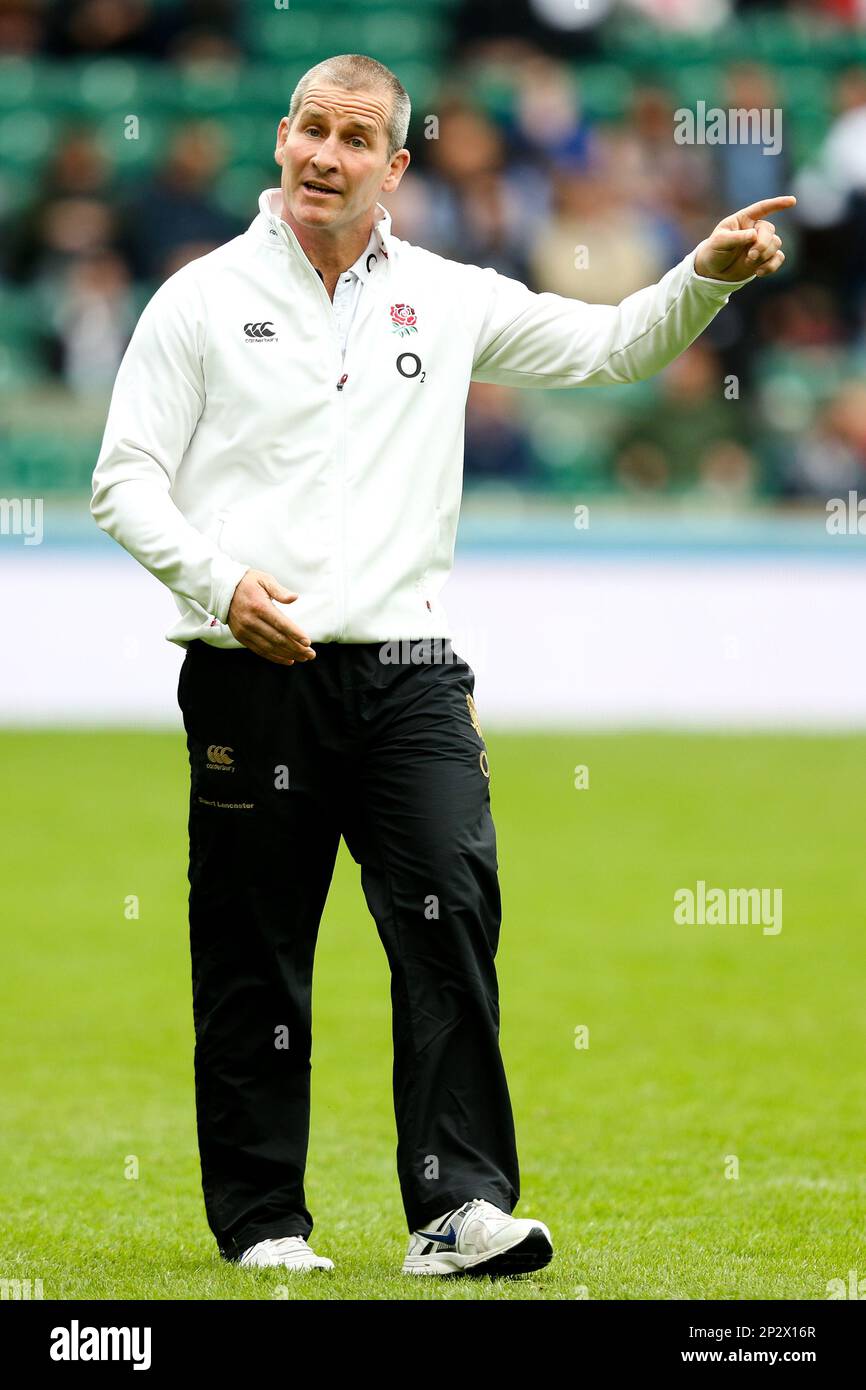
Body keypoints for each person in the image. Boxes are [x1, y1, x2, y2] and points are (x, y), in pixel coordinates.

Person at [90, 52, 794, 1279]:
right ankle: (264, 1223)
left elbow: (613, 347)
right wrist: (221, 587)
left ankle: (455, 1208)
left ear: (394, 168)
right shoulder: (195, 300)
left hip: (409, 671)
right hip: (251, 673)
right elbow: (122, 479)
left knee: (451, 915)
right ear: (280, 139)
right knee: (257, 953)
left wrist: (703, 278)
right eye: (311, 127)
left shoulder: (445, 294)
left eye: (356, 137)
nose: (326, 153)